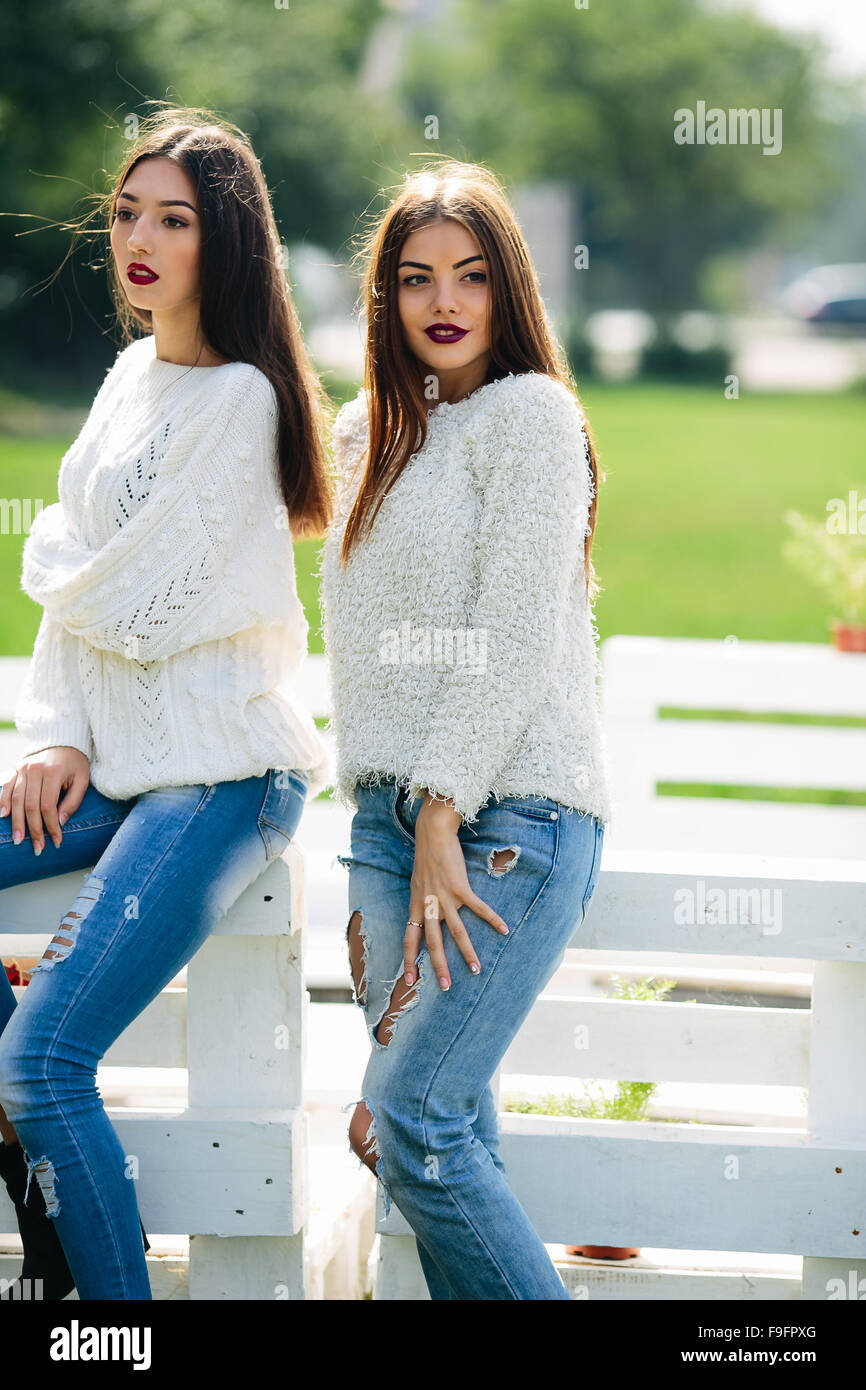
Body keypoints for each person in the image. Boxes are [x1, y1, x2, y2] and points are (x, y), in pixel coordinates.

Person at [0, 106, 332, 1301]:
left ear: (225, 242)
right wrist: (54, 734)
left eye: (174, 219)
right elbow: (81, 592)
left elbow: (130, 603)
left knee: (47, 1061)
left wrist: (60, 563)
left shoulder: (240, 399)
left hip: (221, 775)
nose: (138, 237)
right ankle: (31, 1188)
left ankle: (109, 1327)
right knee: (18, 1071)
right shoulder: (128, 376)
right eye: (128, 212)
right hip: (121, 761)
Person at [319, 159, 612, 1300]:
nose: (442, 300)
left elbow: (519, 628)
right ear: (384, 298)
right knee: (449, 1138)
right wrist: (393, 804)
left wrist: (445, 798)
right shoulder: (364, 436)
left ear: (508, 290)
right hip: (385, 825)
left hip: (509, 815)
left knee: (411, 1120)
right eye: (413, 278)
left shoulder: (533, 417)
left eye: (471, 275)